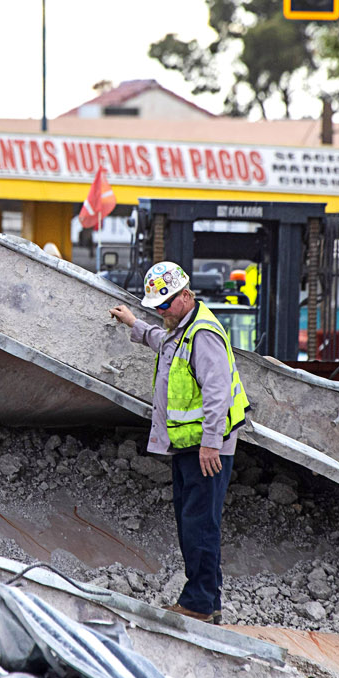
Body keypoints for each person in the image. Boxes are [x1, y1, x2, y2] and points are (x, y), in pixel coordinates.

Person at [109, 261, 250, 624]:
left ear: (186, 295)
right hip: (190, 445)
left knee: (199, 524)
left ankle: (199, 604)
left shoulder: (203, 334)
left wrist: (210, 443)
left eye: (166, 304)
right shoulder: (184, 328)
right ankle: (208, 601)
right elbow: (166, 343)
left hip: (206, 448)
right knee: (194, 522)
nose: (162, 311)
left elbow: (218, 392)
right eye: (157, 306)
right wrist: (135, 324)